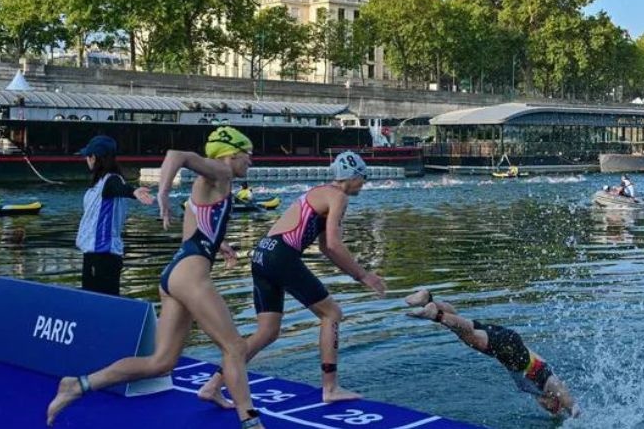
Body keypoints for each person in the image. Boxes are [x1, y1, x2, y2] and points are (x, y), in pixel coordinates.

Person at [47, 127, 265, 428]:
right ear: (231, 155)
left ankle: (78, 385)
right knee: (236, 347)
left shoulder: (209, 186)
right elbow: (178, 155)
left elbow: (196, 235)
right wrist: (162, 192)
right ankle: (250, 421)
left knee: (160, 363)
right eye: (248, 156)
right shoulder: (221, 171)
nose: (251, 163)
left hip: (175, 274)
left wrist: (220, 245)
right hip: (189, 278)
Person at [197, 151, 386, 406]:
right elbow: (333, 243)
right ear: (352, 177)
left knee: (267, 332)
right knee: (331, 314)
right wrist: (364, 276)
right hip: (281, 256)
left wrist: (357, 275)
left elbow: (326, 248)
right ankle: (330, 388)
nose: (363, 184)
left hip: (262, 253)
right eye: (362, 178)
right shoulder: (338, 197)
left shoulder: (320, 192)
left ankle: (212, 386)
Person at [404, 289, 579, 418]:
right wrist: (573, 412)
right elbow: (565, 395)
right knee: (470, 338)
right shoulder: (547, 382)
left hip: (507, 341)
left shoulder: (538, 392)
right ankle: (436, 314)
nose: (545, 408)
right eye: (551, 408)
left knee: (464, 327)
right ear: (554, 401)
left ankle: (428, 299)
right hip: (511, 348)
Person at [75, 135, 154, 296]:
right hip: (93, 252)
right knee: (93, 299)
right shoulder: (99, 183)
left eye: (88, 156)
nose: (86, 160)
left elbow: (119, 188)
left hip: (103, 254)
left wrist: (133, 192)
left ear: (94, 158)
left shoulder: (111, 180)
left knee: (101, 300)